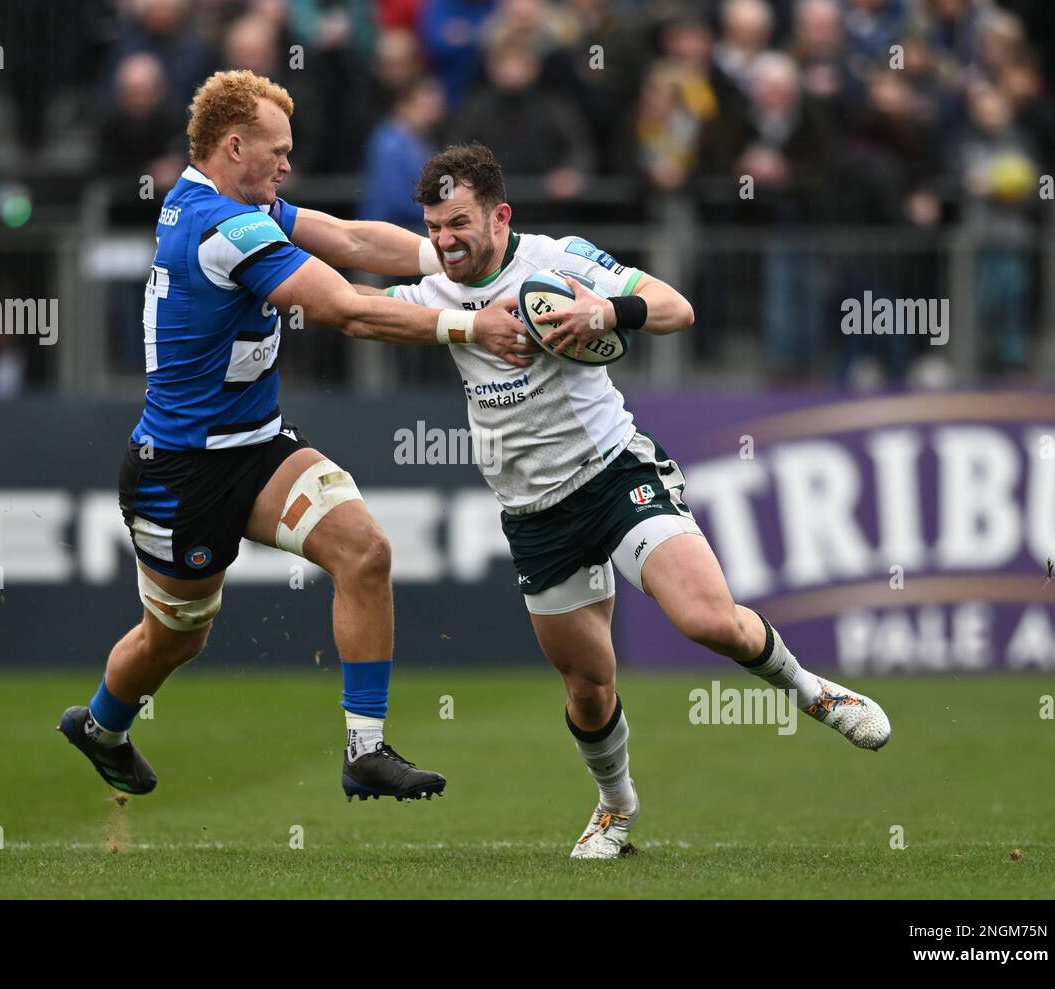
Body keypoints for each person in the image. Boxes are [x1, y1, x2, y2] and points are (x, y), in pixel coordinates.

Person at [375, 143, 891, 857]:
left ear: (500, 214)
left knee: (709, 620)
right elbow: (355, 304)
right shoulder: (438, 287)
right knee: (588, 684)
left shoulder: (559, 260)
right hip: (533, 513)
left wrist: (607, 313)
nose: (444, 240)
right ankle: (615, 806)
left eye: (457, 222)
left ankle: (813, 692)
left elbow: (676, 307)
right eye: (432, 227)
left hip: (614, 473)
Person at [59, 71, 533, 804]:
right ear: (233, 144)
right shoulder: (225, 226)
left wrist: (450, 259)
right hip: (180, 473)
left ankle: (365, 749)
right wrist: (473, 323)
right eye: (276, 151)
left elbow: (345, 236)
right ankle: (101, 725)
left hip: (257, 447)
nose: (287, 164)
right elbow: (347, 309)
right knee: (176, 639)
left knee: (365, 552)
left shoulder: (237, 205)